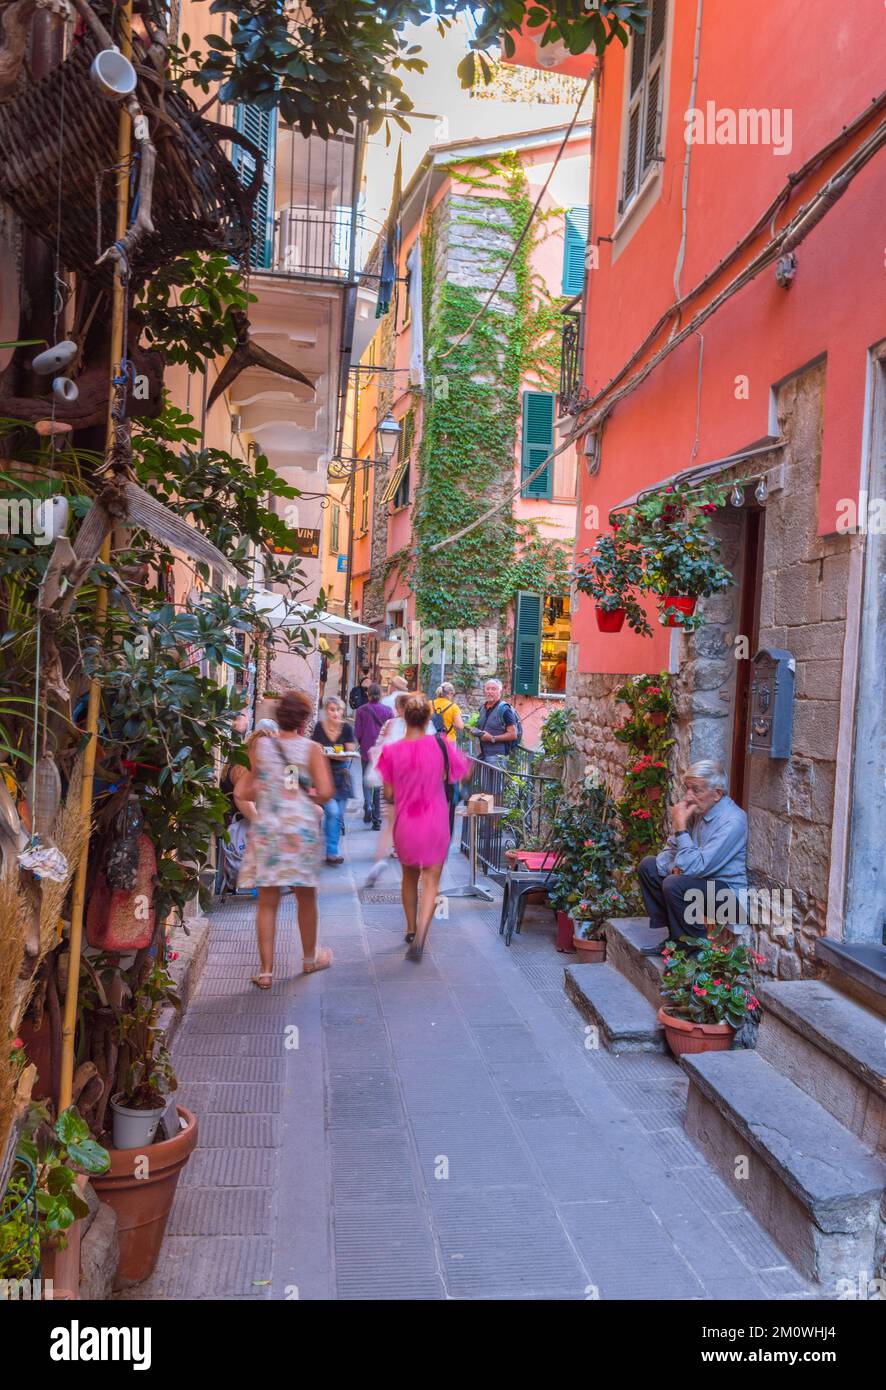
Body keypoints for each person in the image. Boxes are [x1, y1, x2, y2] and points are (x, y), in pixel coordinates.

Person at [237, 691, 335, 988]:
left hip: (269, 829)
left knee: (267, 902)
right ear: (304, 720)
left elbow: (244, 790)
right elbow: (327, 792)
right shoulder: (312, 749)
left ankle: (266, 971)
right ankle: (309, 959)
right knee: (306, 898)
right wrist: (307, 792)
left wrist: (269, 790)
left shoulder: (262, 747)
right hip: (300, 831)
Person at [377, 693, 470, 960]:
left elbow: (390, 793)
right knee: (431, 881)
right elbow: (463, 770)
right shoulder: (441, 746)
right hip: (436, 820)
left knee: (408, 877)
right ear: (429, 718)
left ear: (404, 717)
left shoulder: (391, 752)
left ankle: (409, 928)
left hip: (407, 821)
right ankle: (420, 938)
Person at [637, 760, 749, 949]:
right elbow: (668, 852)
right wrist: (675, 866)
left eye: (696, 790)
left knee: (674, 884)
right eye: (687, 788)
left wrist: (681, 828)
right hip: (699, 884)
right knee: (648, 866)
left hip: (731, 901)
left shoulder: (733, 821)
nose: (688, 797)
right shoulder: (697, 811)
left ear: (717, 794)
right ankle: (676, 940)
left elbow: (697, 867)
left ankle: (696, 950)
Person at [310, 695, 356, 865]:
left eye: (338, 710)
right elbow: (313, 749)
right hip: (324, 775)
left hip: (342, 776)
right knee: (333, 812)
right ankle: (332, 851)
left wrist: (339, 753)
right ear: (326, 711)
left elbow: (350, 752)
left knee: (337, 816)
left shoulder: (347, 729)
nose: (335, 713)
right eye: (332, 709)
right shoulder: (319, 728)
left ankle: (331, 848)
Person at [354, 682, 393, 828]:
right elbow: (391, 731)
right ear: (381, 694)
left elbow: (357, 733)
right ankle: (377, 819)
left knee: (366, 779)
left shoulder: (361, 710)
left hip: (366, 750)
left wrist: (360, 742)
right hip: (383, 751)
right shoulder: (388, 711)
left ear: (368, 694)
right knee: (378, 783)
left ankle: (368, 805)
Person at [474, 678, 519, 766]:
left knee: (494, 780)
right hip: (482, 755)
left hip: (497, 757)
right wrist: (474, 731)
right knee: (481, 780)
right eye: (487, 689)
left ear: (500, 692)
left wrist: (492, 738)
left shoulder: (505, 709)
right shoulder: (482, 708)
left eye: (493, 689)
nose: (489, 691)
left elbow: (513, 734)